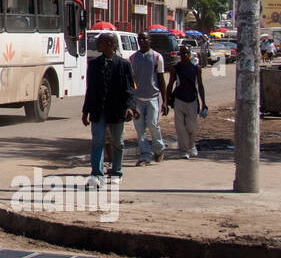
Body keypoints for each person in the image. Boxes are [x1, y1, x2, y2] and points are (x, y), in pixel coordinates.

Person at [81, 32, 137, 186]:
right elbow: (90, 89)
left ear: (111, 45)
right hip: (98, 110)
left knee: (117, 142)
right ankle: (97, 174)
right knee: (97, 141)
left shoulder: (123, 65)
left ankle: (117, 171)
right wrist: (85, 111)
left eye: (101, 42)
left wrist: (130, 107)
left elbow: (130, 89)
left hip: (117, 110)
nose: (97, 45)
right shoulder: (93, 65)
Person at [128, 31, 167, 166]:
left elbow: (161, 80)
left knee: (153, 124)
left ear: (150, 40)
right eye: (140, 39)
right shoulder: (133, 58)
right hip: (138, 99)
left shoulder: (157, 57)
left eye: (145, 39)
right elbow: (130, 81)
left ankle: (159, 148)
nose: (142, 41)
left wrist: (165, 101)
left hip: (153, 98)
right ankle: (145, 155)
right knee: (139, 129)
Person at [166, 45, 208, 159]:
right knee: (180, 127)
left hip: (192, 100)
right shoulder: (176, 68)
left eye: (186, 53)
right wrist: (166, 101)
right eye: (182, 53)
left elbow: (200, 85)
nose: (184, 55)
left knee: (192, 127)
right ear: (180, 55)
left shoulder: (196, 68)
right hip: (179, 100)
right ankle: (184, 150)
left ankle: (191, 145)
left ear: (190, 54)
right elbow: (170, 85)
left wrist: (203, 103)